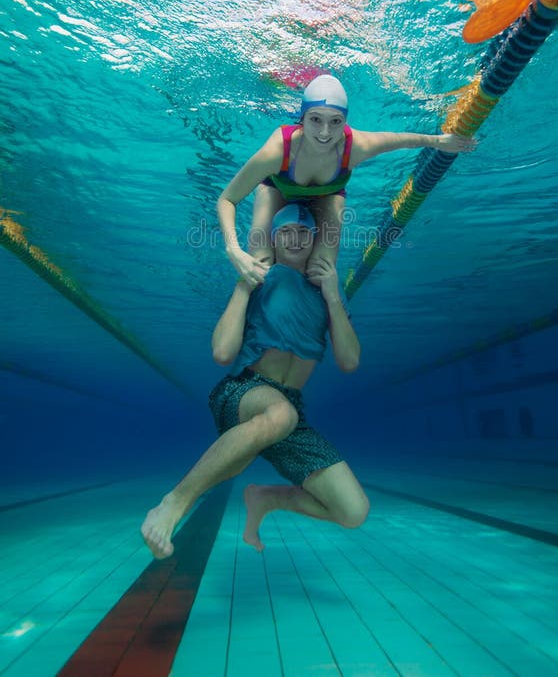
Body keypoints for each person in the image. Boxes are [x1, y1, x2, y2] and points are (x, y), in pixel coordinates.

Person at [141, 203, 368, 558]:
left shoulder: (327, 293)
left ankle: (267, 497)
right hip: (243, 391)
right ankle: (174, 502)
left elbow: (350, 360)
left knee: (353, 511)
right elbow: (221, 352)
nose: (294, 239)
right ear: (274, 239)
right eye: (286, 232)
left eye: (303, 233)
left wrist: (334, 296)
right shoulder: (262, 277)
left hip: (289, 410)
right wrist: (243, 288)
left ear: (313, 240)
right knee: (280, 415)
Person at [217, 73, 476, 287]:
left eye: (335, 122)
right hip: (277, 190)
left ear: (345, 122)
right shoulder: (278, 151)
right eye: (316, 120)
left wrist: (440, 142)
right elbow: (228, 199)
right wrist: (233, 250)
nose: (325, 132)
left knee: (322, 272)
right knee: (259, 265)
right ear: (302, 119)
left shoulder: (356, 146)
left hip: (328, 197)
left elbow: (403, 139)